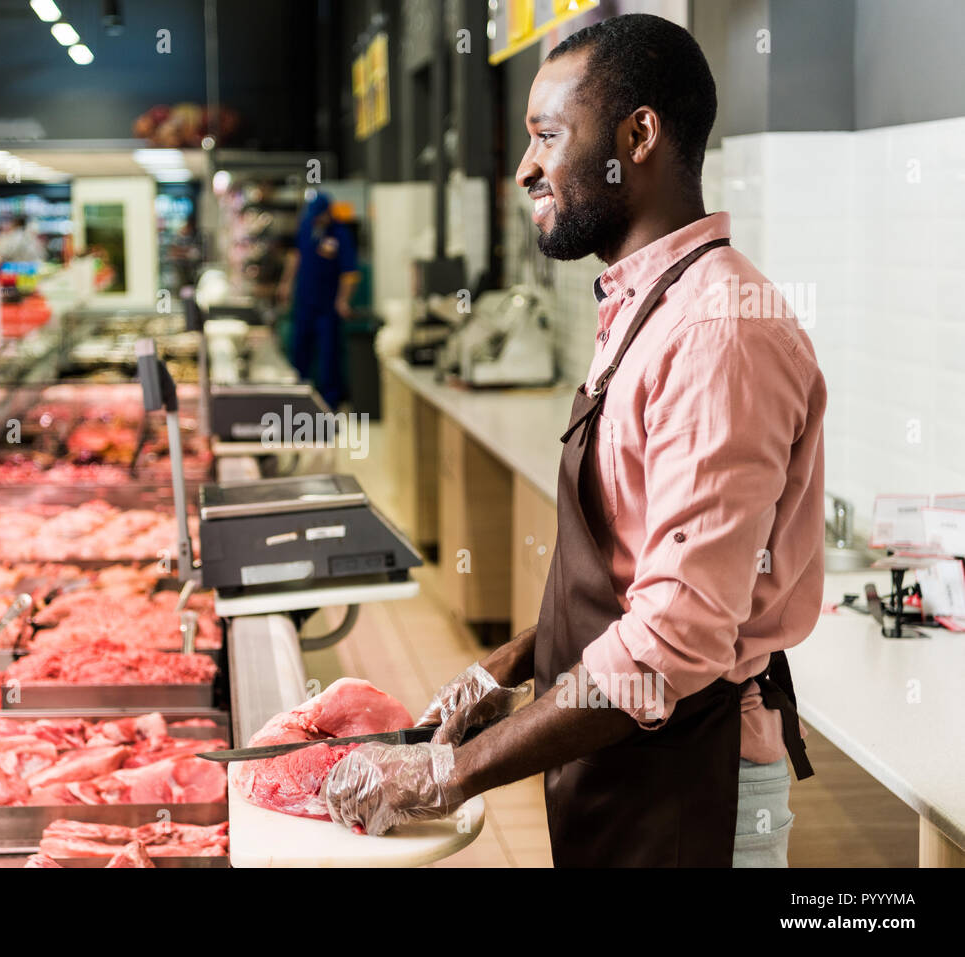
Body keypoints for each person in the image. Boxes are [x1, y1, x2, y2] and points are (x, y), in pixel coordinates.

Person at [322, 14, 826, 868]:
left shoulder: (717, 332)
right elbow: (636, 573)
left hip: (697, 791)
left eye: (548, 136)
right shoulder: (647, 303)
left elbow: (673, 638)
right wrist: (511, 663)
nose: (524, 168)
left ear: (638, 136)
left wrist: (449, 772)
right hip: (633, 767)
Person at [279, 193, 359, 409]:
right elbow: (296, 256)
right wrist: (286, 283)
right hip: (305, 302)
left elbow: (349, 272)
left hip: (327, 307)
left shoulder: (341, 234)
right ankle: (297, 399)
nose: (316, 220)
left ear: (328, 212)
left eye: (319, 216)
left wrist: (343, 300)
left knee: (328, 356)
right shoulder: (306, 227)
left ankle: (329, 404)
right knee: (300, 351)